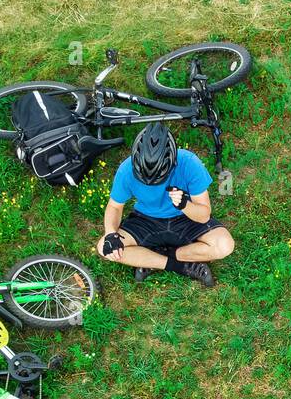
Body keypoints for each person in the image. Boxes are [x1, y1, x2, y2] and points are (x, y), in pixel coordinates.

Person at [95, 123, 234, 287]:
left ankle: (154, 257)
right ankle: (177, 264)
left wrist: (185, 205)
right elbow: (115, 207)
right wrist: (111, 234)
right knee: (104, 247)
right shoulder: (126, 169)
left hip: (185, 218)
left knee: (225, 245)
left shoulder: (189, 163)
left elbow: (204, 215)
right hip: (145, 220)